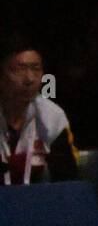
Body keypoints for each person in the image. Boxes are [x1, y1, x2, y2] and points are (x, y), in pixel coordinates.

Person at [0, 34, 78, 186]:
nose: (29, 79)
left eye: (36, 69)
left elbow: (67, 181)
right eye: (19, 69)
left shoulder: (52, 117)